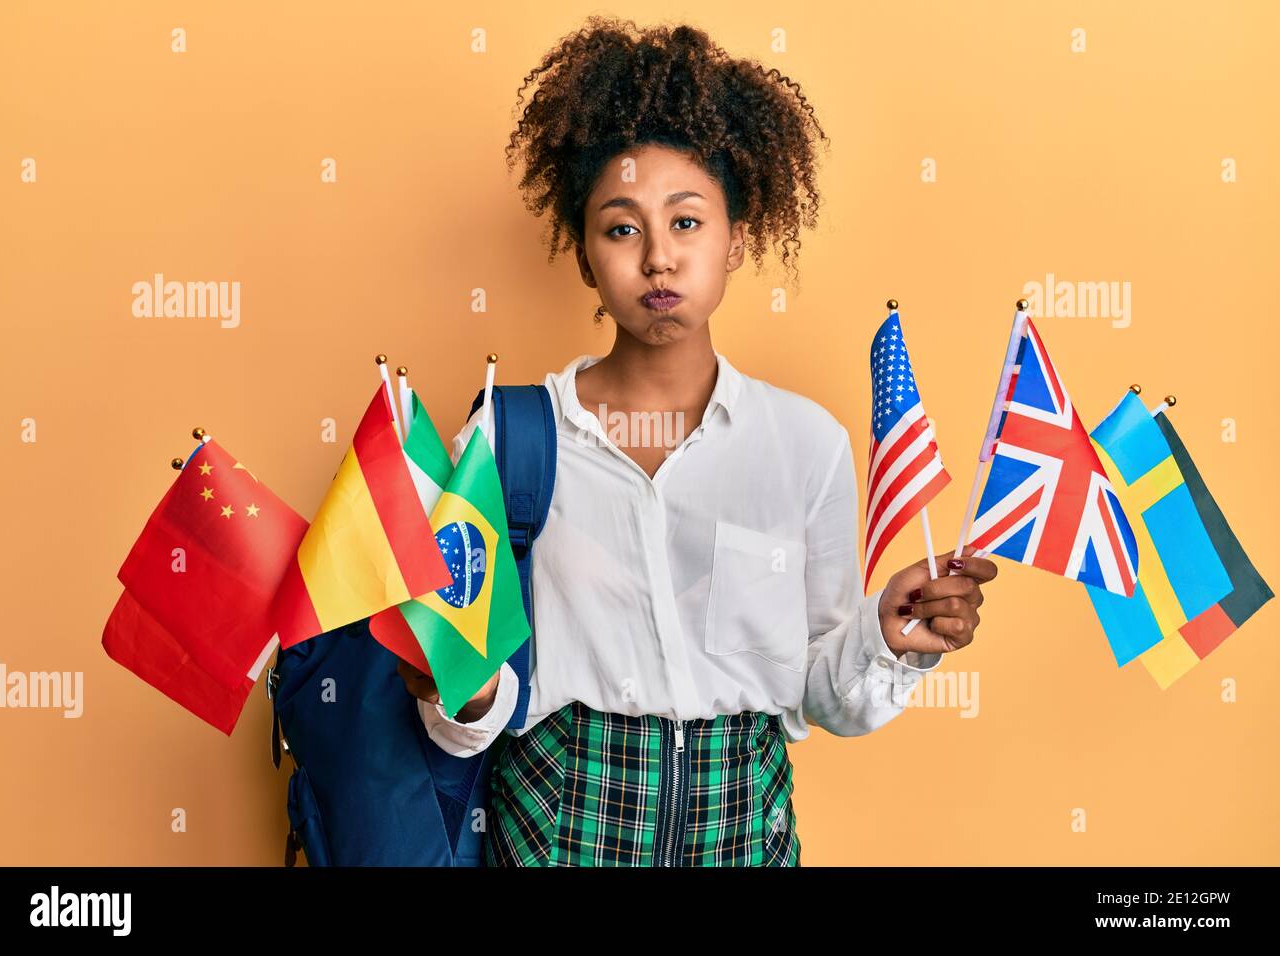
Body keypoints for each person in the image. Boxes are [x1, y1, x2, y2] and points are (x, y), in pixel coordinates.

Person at [398, 15, 997, 866]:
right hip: (556, 830)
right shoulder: (508, 437)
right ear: (583, 257)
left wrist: (890, 635)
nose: (657, 261)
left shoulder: (805, 446)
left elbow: (824, 694)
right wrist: (459, 687)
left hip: (743, 834)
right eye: (620, 227)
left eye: (687, 223)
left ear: (738, 239)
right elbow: (466, 727)